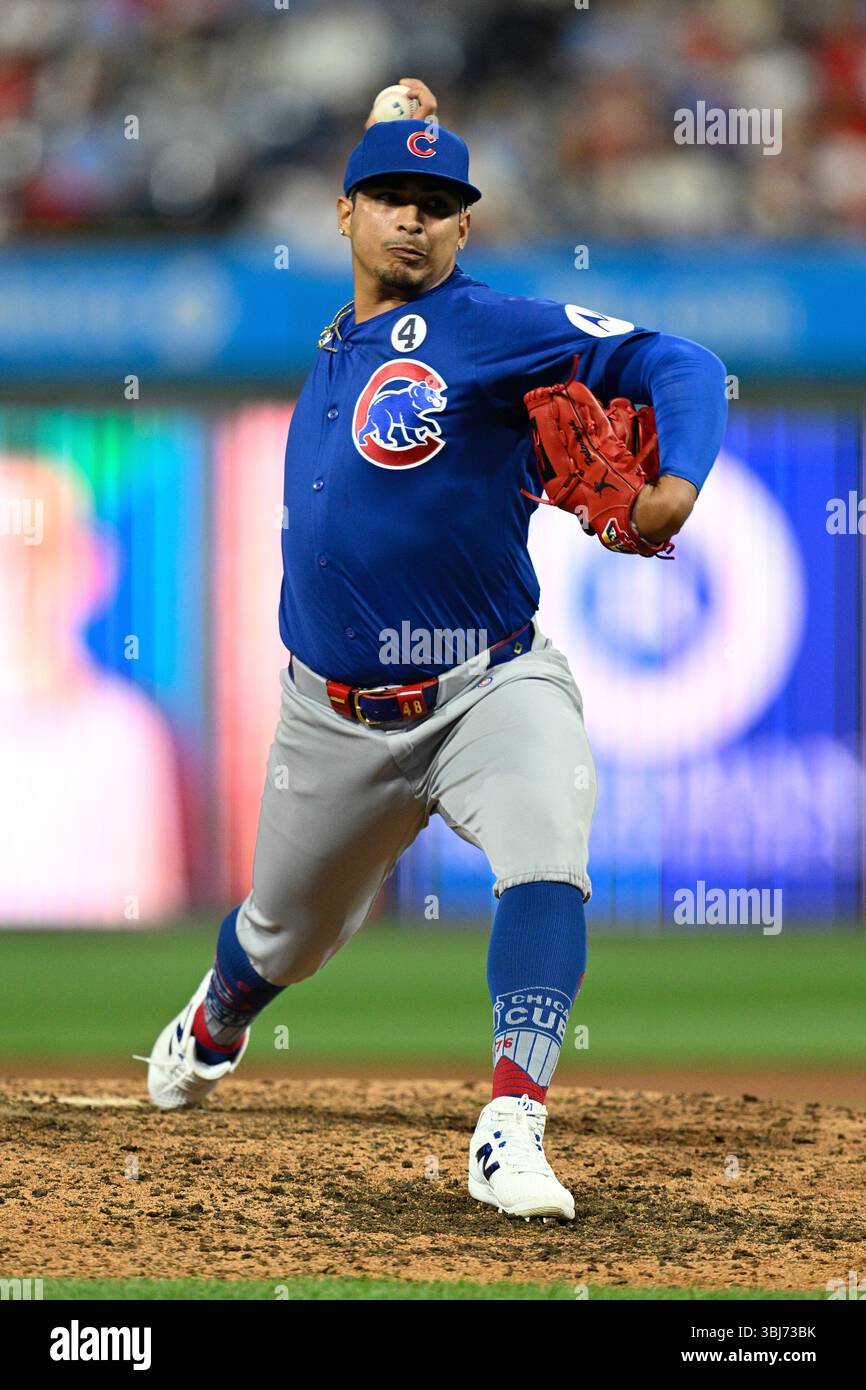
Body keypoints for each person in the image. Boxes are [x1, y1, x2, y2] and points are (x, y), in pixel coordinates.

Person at [140, 79, 727, 1222]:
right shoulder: (343, 334)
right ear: (344, 213)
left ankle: (511, 1121)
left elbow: (684, 363)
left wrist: (674, 486)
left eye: (436, 202)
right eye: (388, 196)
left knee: (546, 853)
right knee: (280, 937)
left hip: (486, 687)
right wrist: (385, 121)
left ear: (465, 226)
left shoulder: (490, 328)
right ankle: (217, 1016)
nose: (412, 217)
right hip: (329, 716)